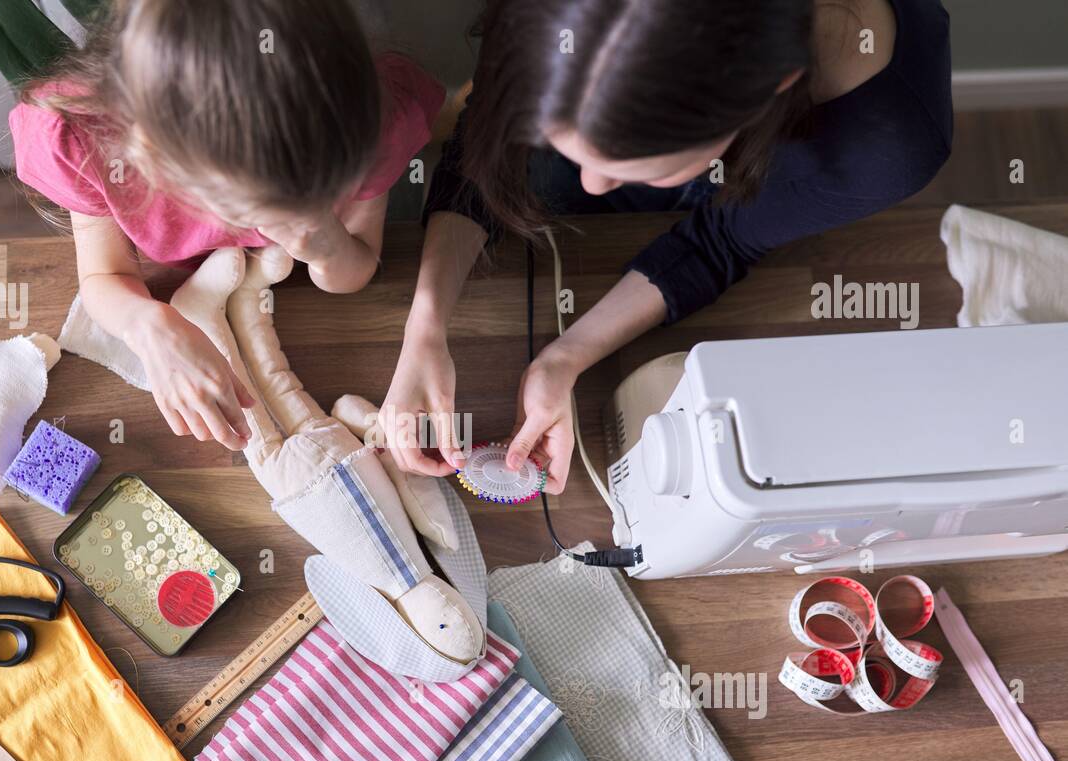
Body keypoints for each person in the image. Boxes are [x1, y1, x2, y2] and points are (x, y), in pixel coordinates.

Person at [381, 0, 951, 492]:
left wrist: (569, 355)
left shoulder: (889, 144)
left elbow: (720, 241)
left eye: (628, 166)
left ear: (767, 91)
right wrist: (425, 328)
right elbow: (489, 134)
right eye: (568, 146)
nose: (590, 184)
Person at [10, 0, 444, 450]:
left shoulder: (375, 119)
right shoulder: (84, 139)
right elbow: (104, 276)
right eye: (245, 209)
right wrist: (149, 325)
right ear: (148, 152)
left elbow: (358, 267)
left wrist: (324, 242)